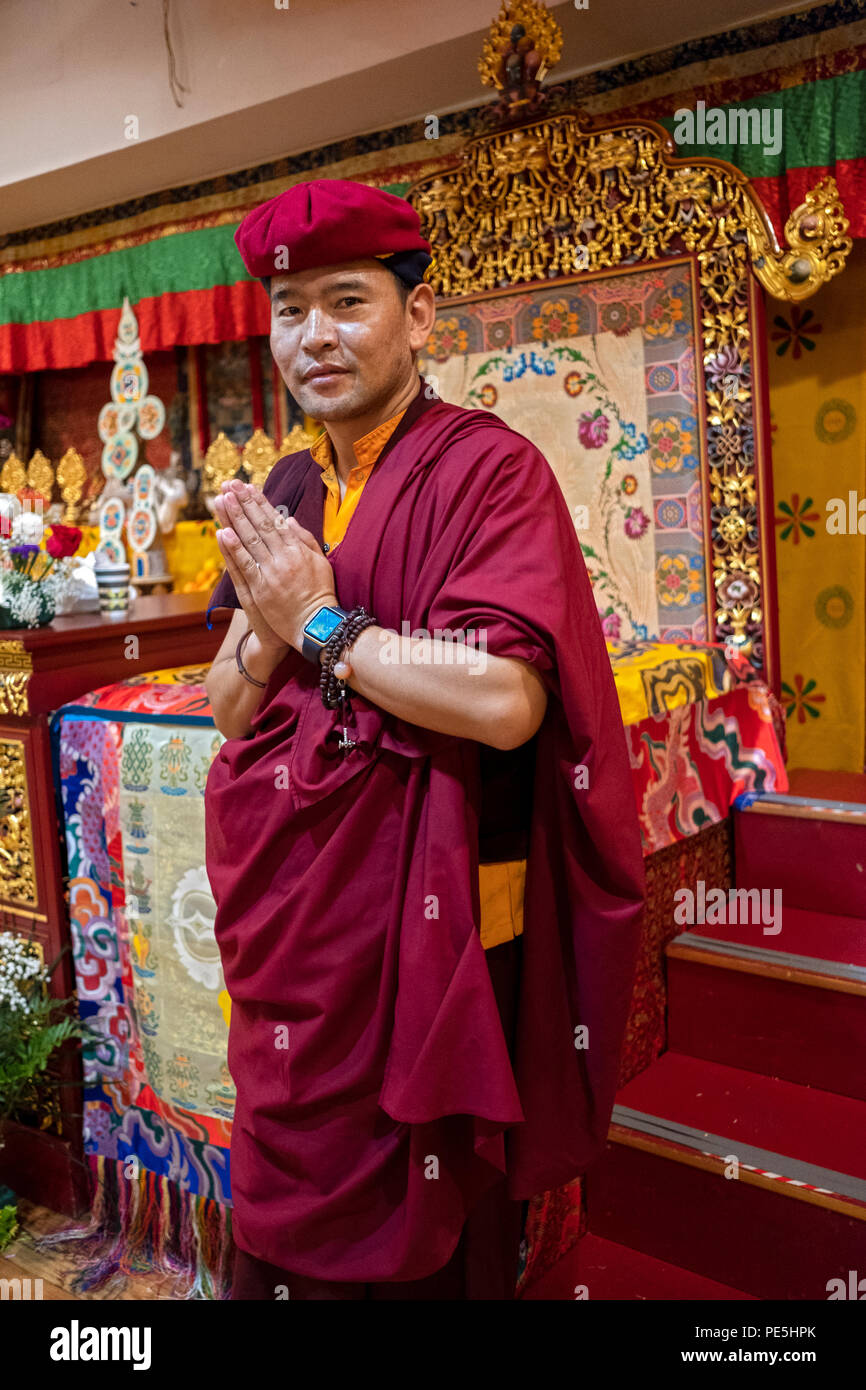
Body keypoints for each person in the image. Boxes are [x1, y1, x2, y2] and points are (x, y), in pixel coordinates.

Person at [203, 178, 646, 1300]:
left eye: (345, 300)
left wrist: (316, 621)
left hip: (426, 930)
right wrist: (270, 629)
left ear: (419, 314)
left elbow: (502, 697)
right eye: (288, 307)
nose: (314, 335)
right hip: (297, 933)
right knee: (279, 1217)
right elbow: (226, 702)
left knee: (417, 1234)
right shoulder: (289, 484)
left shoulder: (484, 469)